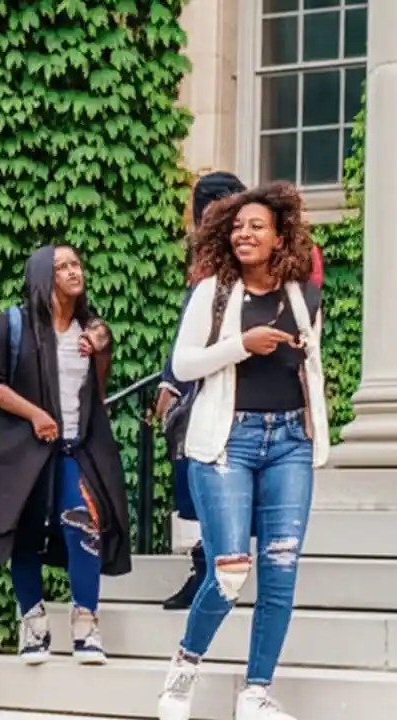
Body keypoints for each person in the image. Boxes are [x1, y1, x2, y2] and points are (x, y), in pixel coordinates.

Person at [156, 181, 327, 720]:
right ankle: (182, 672)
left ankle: (256, 692)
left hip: (290, 443)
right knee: (229, 569)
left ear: (280, 237)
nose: (244, 234)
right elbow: (183, 366)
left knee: (280, 568)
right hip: (228, 442)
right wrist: (240, 346)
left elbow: (312, 367)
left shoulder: (303, 295)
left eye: (256, 226)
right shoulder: (214, 292)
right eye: (236, 227)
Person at [0, 245, 128, 666]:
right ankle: (33, 623)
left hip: (77, 449)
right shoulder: (14, 324)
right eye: (62, 267)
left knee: (84, 525)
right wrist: (36, 413)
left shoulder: (90, 330)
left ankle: (86, 623)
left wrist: (102, 348)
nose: (74, 271)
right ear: (43, 277)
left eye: (77, 263)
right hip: (24, 452)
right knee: (24, 536)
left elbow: (97, 392)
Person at [156, 171, 246, 611]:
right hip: (197, 384)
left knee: (218, 478)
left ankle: (219, 570)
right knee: (194, 479)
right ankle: (204, 569)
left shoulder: (245, 254)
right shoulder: (205, 259)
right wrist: (170, 380)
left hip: (236, 385)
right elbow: (188, 325)